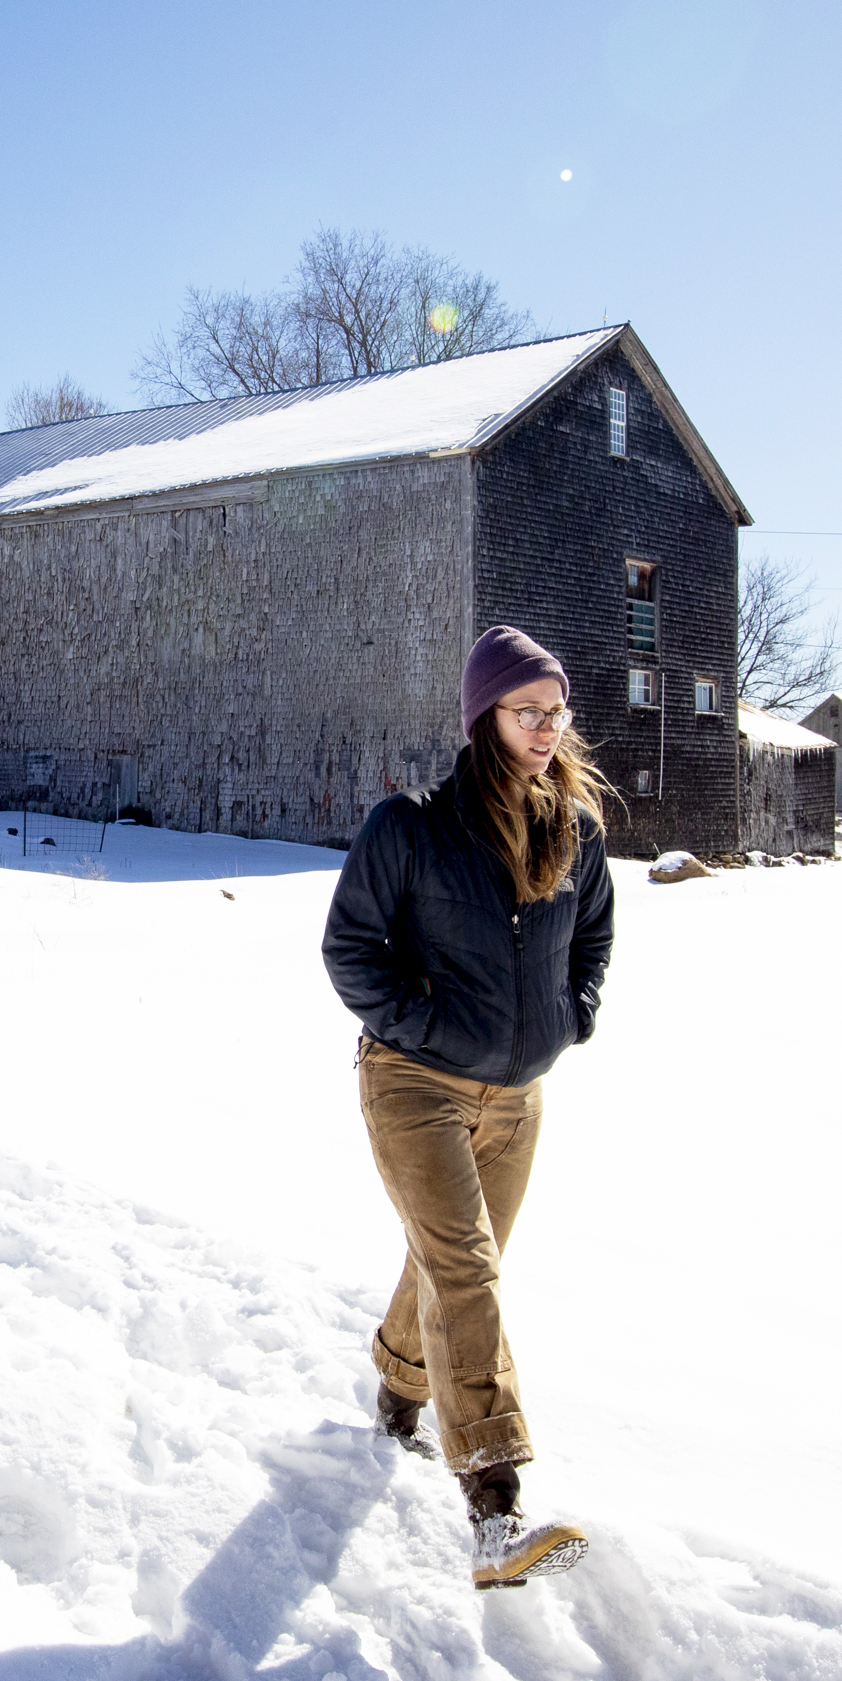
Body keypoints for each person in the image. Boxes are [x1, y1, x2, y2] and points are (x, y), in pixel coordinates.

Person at [319, 625, 615, 1591]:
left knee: (448, 1263)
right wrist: (425, 1027)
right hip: (414, 1084)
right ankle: (496, 1509)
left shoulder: (575, 830)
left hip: (517, 1099)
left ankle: (399, 1396)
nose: (547, 728)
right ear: (484, 717)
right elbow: (350, 950)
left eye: (556, 711)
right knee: (466, 1268)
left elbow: (594, 939)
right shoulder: (410, 827)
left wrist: (570, 1017)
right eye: (528, 711)